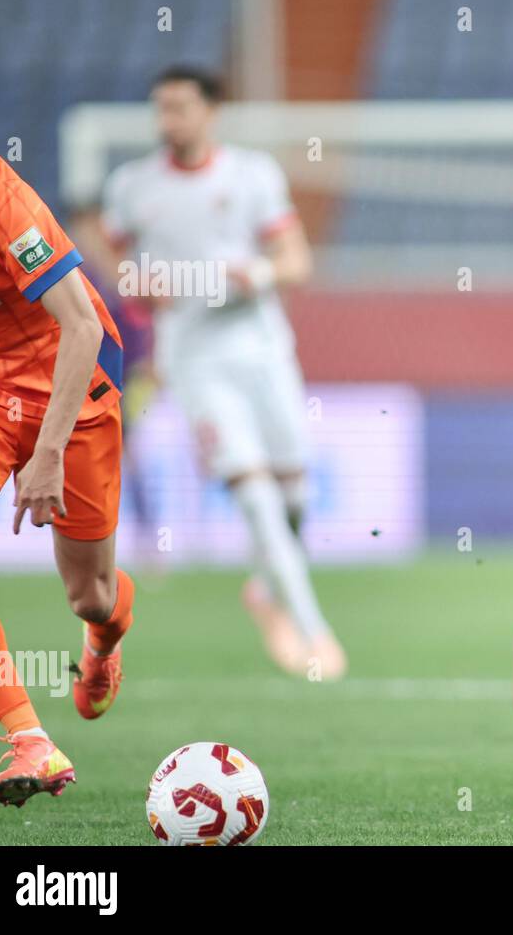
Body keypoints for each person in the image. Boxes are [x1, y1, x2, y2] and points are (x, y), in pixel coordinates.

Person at [100, 66, 345, 679]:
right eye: (161, 108)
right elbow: (119, 270)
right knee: (255, 493)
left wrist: (254, 277)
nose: (168, 120)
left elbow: (296, 260)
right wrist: (139, 285)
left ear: (211, 111)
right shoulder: (132, 186)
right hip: (194, 360)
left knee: (293, 494)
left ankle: (265, 588)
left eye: (180, 107)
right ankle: (314, 632)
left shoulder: (253, 175)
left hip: (263, 350)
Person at [0, 149, 134, 805]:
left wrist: (49, 452)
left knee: (88, 594)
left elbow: (83, 324)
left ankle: (103, 639)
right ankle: (30, 740)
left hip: (69, 382)